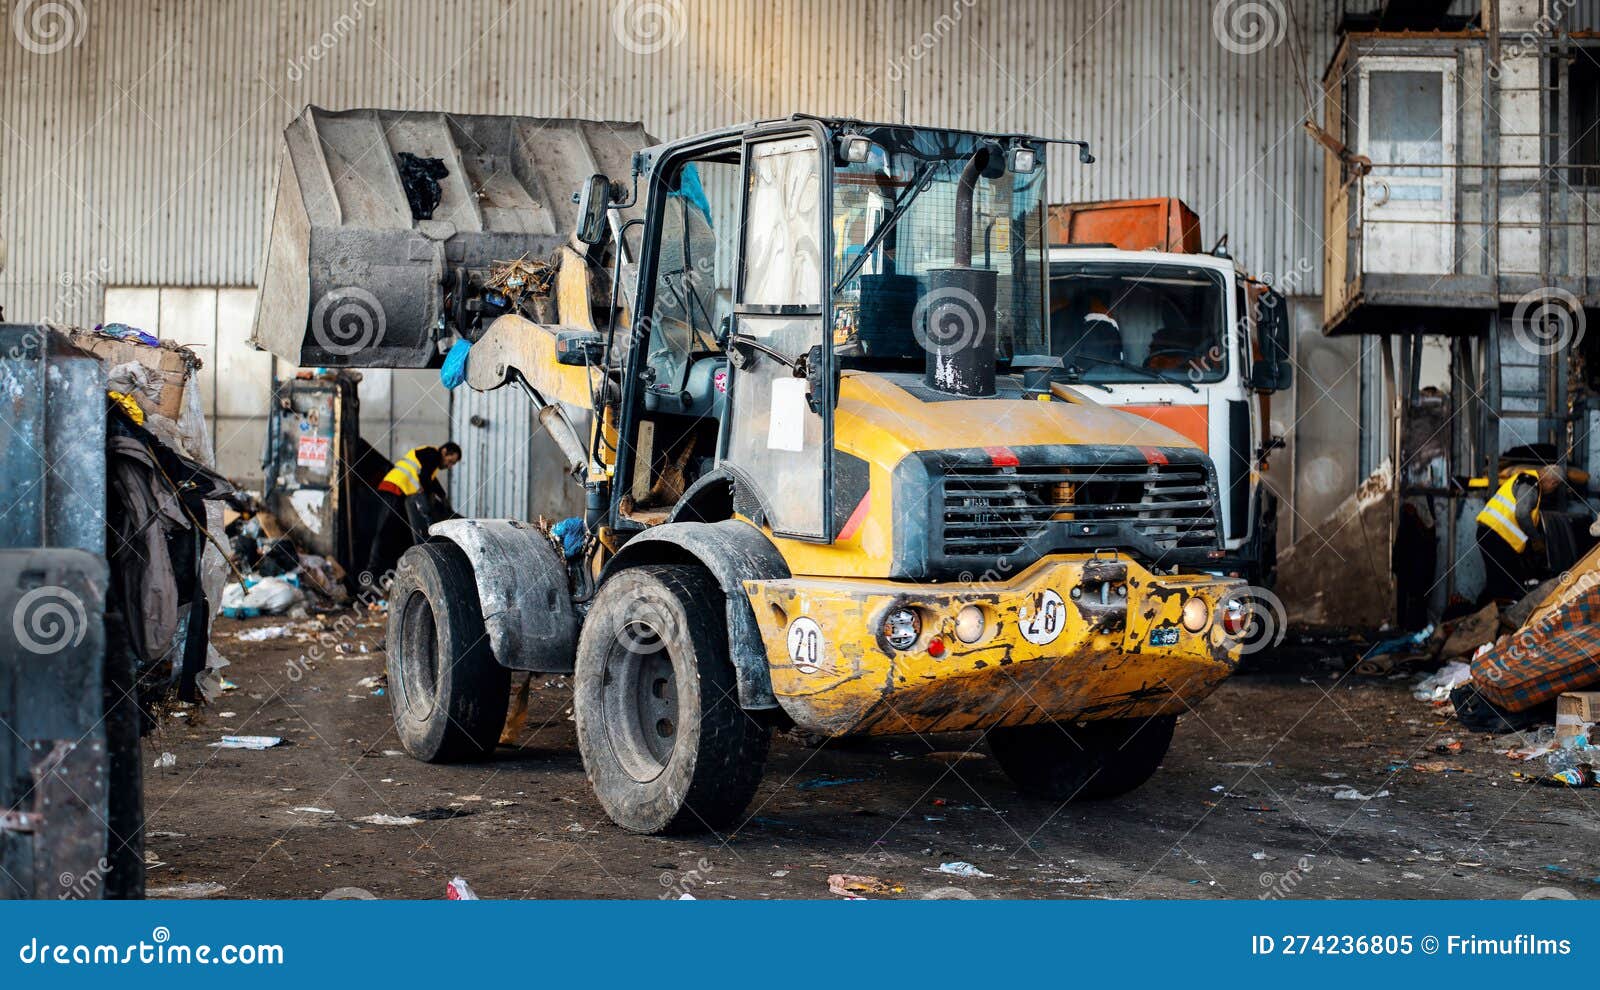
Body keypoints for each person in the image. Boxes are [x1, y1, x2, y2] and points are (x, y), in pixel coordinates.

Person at [363, 441, 461, 585]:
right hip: (393, 488)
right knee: (384, 532)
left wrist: (443, 495)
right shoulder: (432, 454)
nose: (449, 466)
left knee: (392, 533)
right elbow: (426, 480)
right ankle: (371, 575)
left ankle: (383, 576)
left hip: (399, 493)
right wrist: (431, 510)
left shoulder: (429, 460)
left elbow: (432, 482)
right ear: (444, 451)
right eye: (450, 461)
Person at [1475, 464, 1563, 604]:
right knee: (1502, 584)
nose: (1552, 491)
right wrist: (1536, 539)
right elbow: (1522, 514)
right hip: (1495, 536)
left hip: (1495, 536)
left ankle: (1480, 615)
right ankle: (1483, 616)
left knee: (1501, 582)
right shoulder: (1531, 484)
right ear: (1553, 482)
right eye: (1554, 488)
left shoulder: (1526, 479)